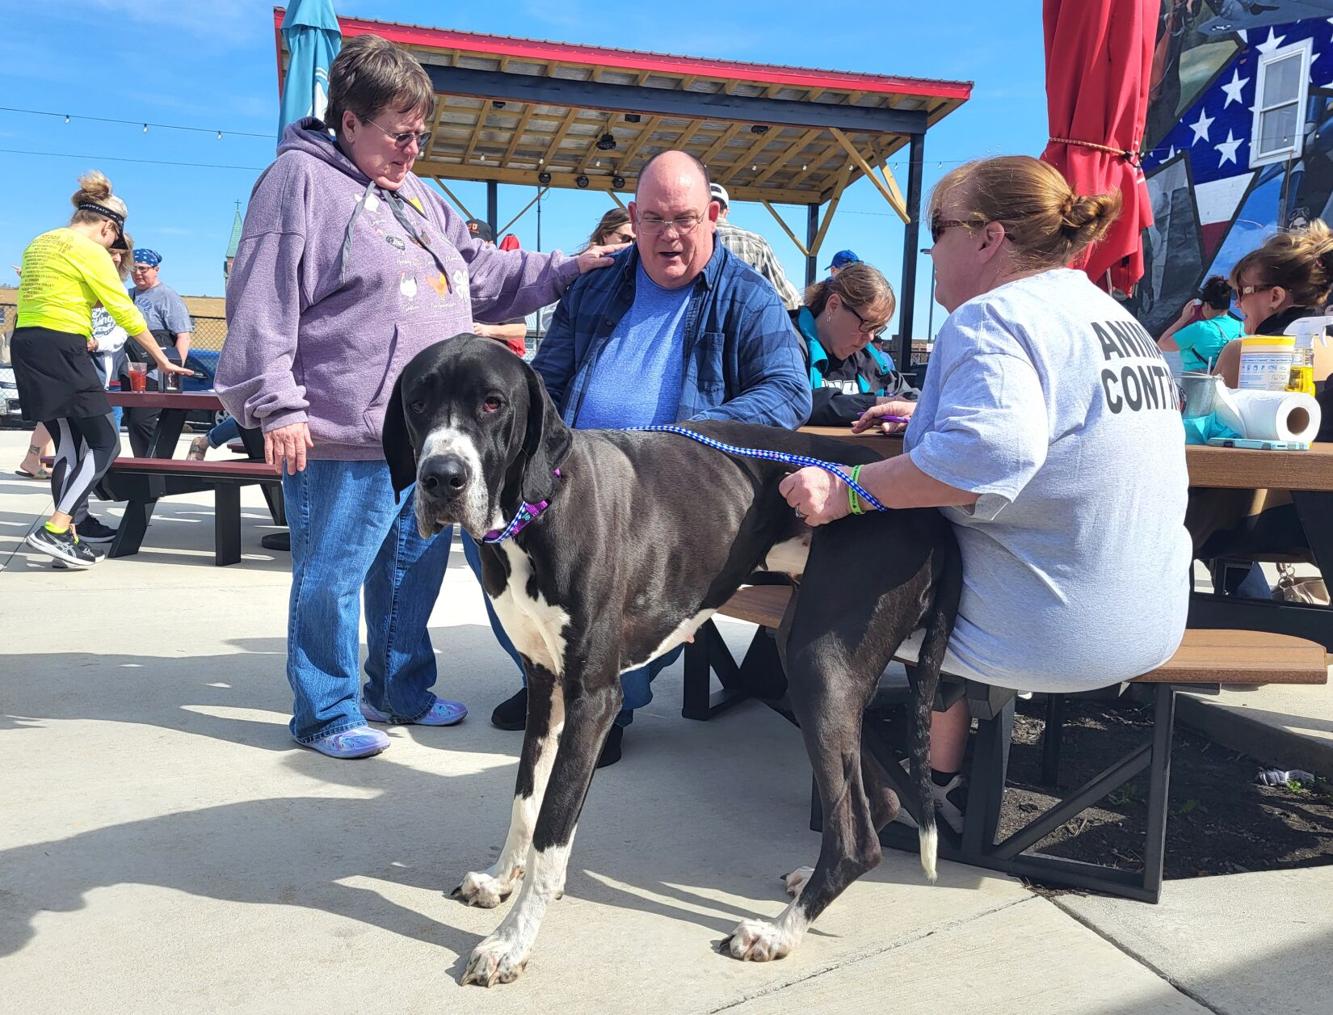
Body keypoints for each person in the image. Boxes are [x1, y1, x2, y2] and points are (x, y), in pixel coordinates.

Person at [216, 33, 620, 761]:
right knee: (331, 577)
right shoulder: (297, 182)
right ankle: (325, 710)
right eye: (400, 134)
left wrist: (569, 267)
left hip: (428, 433)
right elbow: (263, 295)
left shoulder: (418, 195)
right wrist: (275, 403)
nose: (412, 149)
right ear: (349, 121)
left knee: (412, 567)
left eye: (420, 135)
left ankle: (399, 688)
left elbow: (481, 270)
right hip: (342, 428)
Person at [780, 155, 1192, 832]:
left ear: (987, 237)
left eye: (938, 227)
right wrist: (932, 420)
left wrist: (847, 488)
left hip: (1049, 632)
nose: (930, 248)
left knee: (808, 608)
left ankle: (866, 809)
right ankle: (938, 772)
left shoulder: (991, 318)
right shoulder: (1109, 315)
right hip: (1147, 621)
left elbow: (988, 453)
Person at [487, 149, 811, 765]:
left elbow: (789, 390)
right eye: (655, 218)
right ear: (633, 218)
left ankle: (605, 697)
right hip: (577, 486)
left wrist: (678, 440)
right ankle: (555, 679)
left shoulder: (750, 298)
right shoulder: (596, 286)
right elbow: (547, 380)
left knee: (619, 653)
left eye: (686, 218)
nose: (669, 234)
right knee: (496, 549)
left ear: (713, 216)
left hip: (674, 502)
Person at [11, 171, 190, 568]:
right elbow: (124, 310)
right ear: (108, 227)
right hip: (61, 345)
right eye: (115, 241)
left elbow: (52, 297)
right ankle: (57, 528)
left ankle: (68, 533)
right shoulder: (90, 250)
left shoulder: (39, 242)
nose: (115, 251)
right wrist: (162, 359)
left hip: (26, 343)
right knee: (105, 441)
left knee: (69, 446)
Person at [794, 261, 918, 426]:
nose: (871, 337)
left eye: (877, 329)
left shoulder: (869, 359)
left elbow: (911, 396)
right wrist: (875, 405)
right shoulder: (787, 343)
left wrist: (908, 409)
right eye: (866, 325)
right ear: (833, 305)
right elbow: (792, 399)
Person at [121, 248, 194, 457]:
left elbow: (183, 335)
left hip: (157, 371)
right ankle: (145, 470)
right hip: (132, 370)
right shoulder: (129, 295)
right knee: (133, 423)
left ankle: (156, 466)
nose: (138, 273)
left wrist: (174, 370)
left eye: (143, 269)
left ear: (156, 269)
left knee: (142, 421)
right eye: (133, 269)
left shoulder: (167, 296)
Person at [710, 182, 801, 310]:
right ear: (726, 211)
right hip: (747, 323)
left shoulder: (687, 243)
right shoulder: (756, 242)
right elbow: (786, 299)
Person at [1157, 275, 1241, 373]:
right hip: (1232, 386)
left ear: (1207, 305)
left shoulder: (1200, 328)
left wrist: (1183, 319)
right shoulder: (1242, 328)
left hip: (1197, 385)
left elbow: (1162, 344)